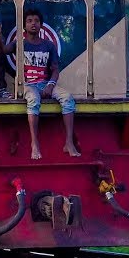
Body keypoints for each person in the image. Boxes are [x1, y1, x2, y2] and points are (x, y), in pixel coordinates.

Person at [14, 9, 79, 158]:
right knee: (33, 100)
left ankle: (69, 143)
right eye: (29, 21)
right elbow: (3, 51)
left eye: (36, 21)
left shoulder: (49, 45)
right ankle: (34, 144)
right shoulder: (20, 44)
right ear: (24, 25)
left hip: (45, 83)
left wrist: (50, 85)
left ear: (41, 25)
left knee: (68, 99)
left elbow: (55, 69)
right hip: (28, 84)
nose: (33, 24)